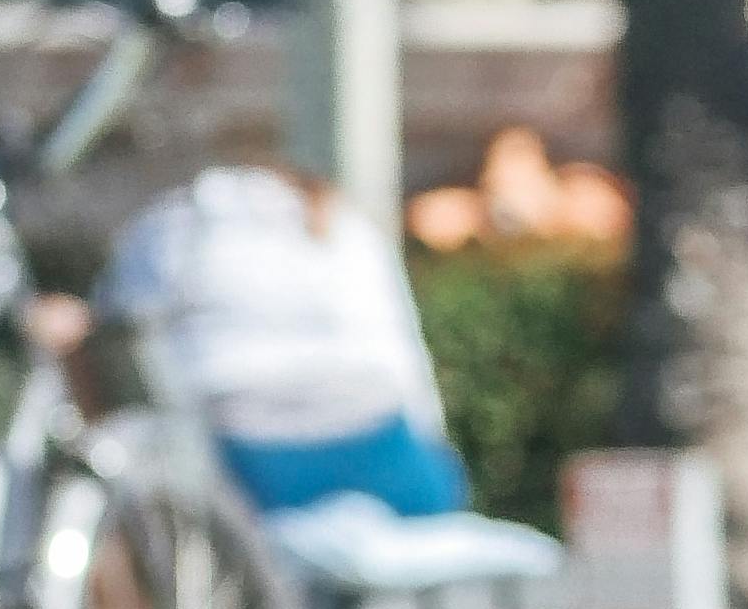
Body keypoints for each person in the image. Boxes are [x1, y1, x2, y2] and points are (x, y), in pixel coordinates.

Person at [95, 154, 470, 521]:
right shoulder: (349, 229)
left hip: (255, 459)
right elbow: (406, 365)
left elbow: (122, 326)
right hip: (392, 456)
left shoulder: (180, 224)